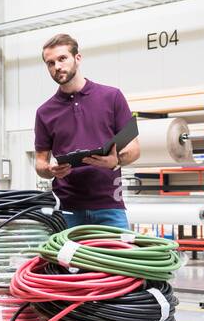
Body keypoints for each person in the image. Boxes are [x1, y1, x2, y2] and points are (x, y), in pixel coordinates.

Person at [32, 33, 140, 229]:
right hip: (66, 210)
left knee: (119, 260)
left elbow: (134, 149)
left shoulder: (112, 97)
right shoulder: (44, 112)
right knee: (64, 261)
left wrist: (116, 160)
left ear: (78, 58)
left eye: (62, 58)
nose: (57, 66)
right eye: (50, 63)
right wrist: (50, 170)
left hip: (110, 207)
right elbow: (40, 162)